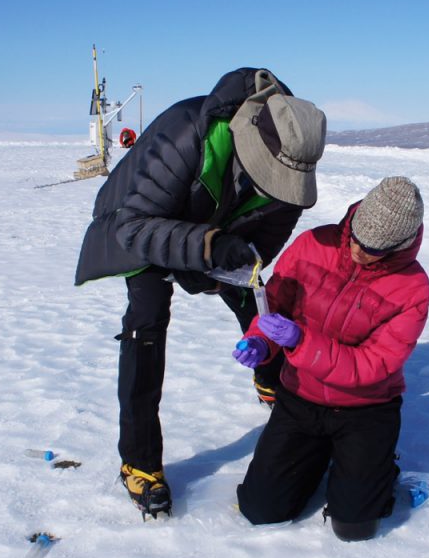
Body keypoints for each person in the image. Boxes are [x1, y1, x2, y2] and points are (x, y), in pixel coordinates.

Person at [74, 68, 327, 520]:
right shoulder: (186, 133)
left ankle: (271, 378)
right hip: (139, 220)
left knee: (254, 294)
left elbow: (269, 236)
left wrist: (232, 262)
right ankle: (140, 461)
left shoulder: (292, 146)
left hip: (215, 224)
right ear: (250, 143)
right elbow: (134, 225)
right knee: (146, 322)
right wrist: (208, 246)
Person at [232, 176, 429, 541]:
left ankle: (378, 465)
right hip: (300, 397)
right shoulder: (313, 244)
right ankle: (319, 455)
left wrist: (301, 341)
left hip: (365, 410)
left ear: (399, 246)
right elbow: (274, 303)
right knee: (260, 509)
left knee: (354, 527)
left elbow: (373, 366)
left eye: (373, 248)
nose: (358, 250)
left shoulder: (413, 289)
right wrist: (260, 341)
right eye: (355, 236)